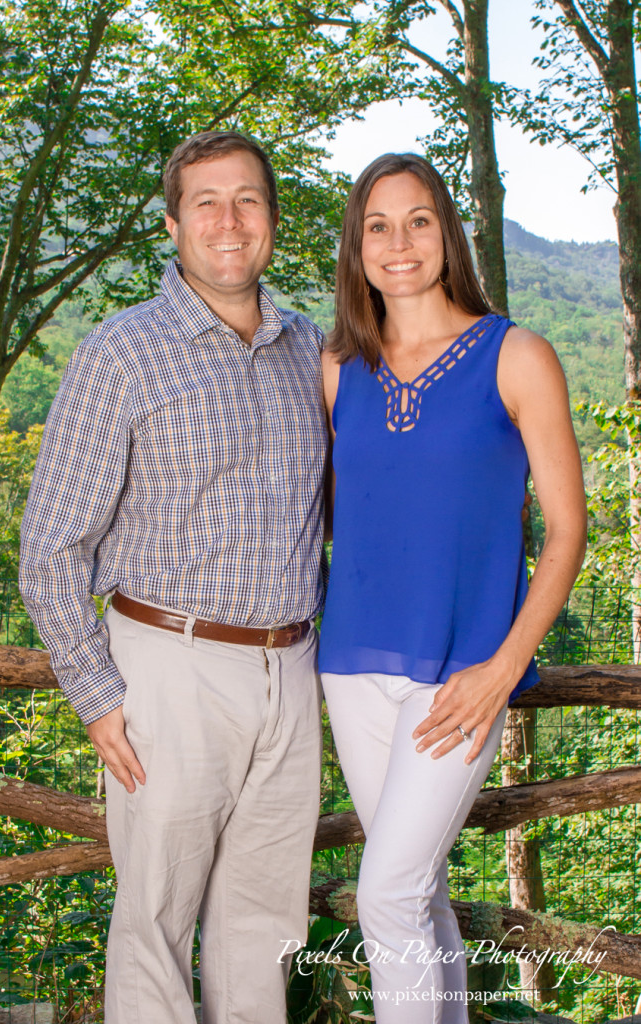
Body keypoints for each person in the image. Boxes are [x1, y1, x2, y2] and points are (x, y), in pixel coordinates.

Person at [19, 130, 328, 1024]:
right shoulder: (121, 353)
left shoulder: (310, 348)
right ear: (172, 223)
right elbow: (50, 545)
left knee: (263, 928)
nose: (228, 222)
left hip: (291, 666)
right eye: (206, 203)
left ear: (271, 219)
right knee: (155, 922)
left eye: (248, 201)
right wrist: (96, 691)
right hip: (168, 665)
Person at [318, 153, 587, 1023]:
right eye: (378, 226)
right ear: (356, 246)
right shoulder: (337, 368)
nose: (400, 243)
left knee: (385, 894)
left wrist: (504, 666)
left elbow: (566, 533)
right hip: (350, 665)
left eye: (419, 220)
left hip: (463, 674)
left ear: (448, 233)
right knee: (417, 888)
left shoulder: (516, 356)